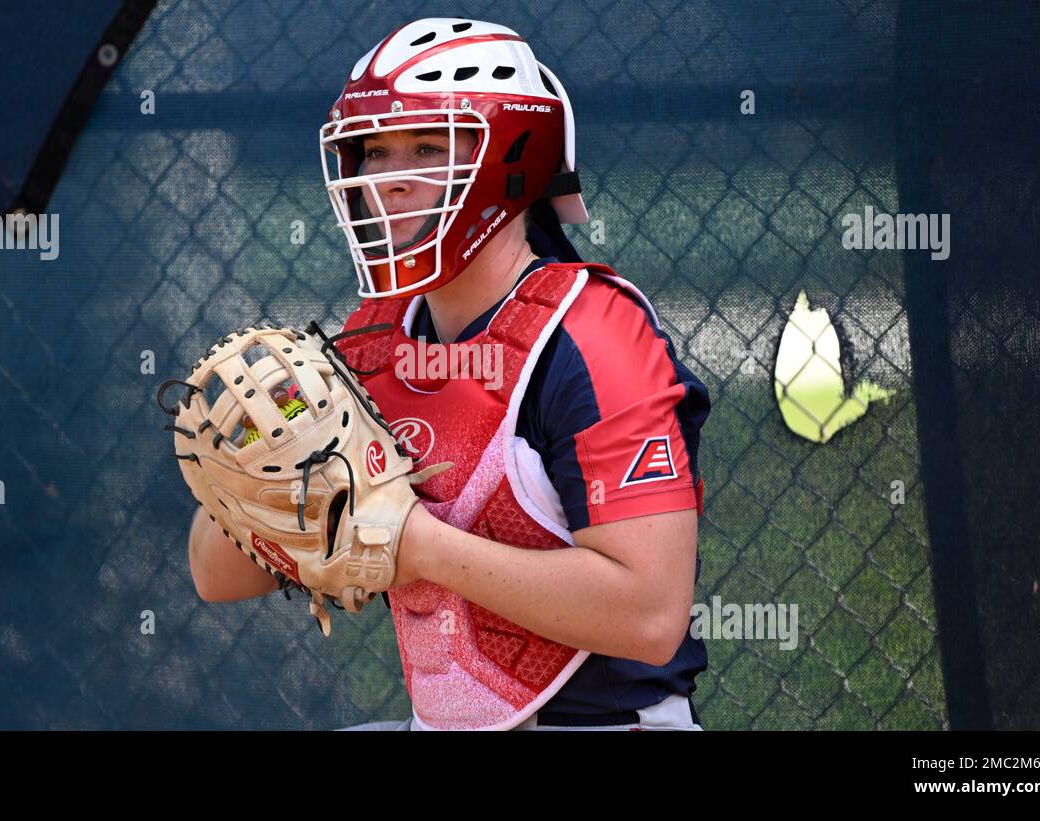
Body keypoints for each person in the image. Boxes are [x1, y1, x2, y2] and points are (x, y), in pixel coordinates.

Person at [189, 17, 711, 731]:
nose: (386, 179)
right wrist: (258, 474)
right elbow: (217, 576)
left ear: (513, 159)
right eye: (373, 151)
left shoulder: (593, 335)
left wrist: (412, 545)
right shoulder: (376, 335)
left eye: (427, 147)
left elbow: (649, 612)